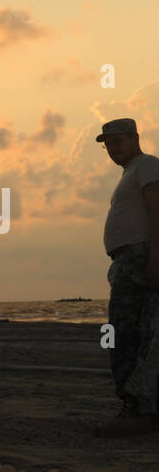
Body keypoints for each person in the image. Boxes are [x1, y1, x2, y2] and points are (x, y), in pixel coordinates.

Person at [93, 118, 159, 437]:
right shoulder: (131, 173)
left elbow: (156, 210)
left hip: (139, 258)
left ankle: (138, 408)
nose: (113, 148)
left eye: (118, 141)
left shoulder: (147, 165)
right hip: (128, 260)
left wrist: (155, 257)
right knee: (133, 333)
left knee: (128, 334)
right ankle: (141, 407)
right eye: (108, 144)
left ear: (135, 137)